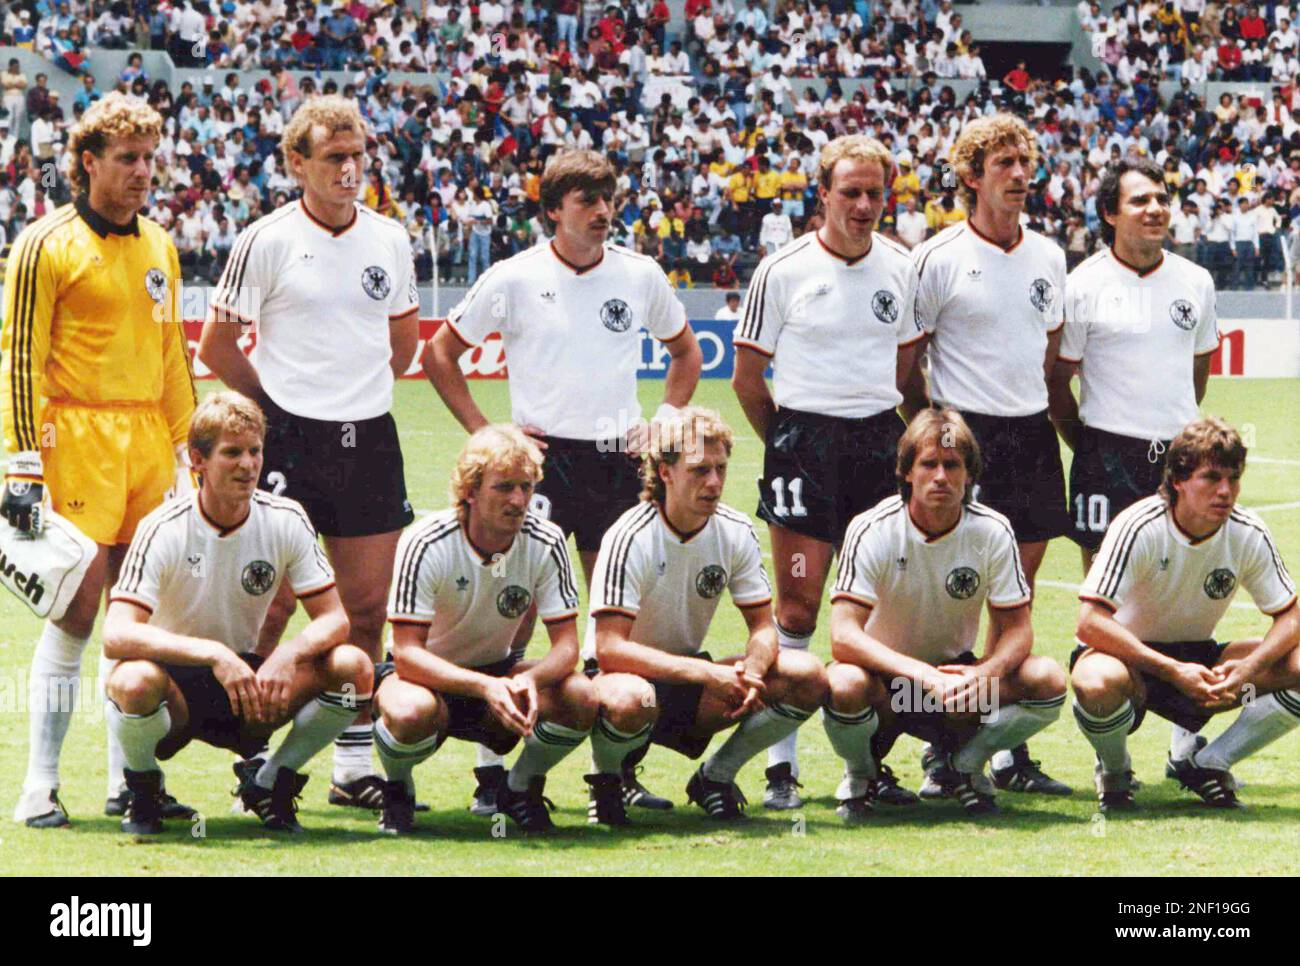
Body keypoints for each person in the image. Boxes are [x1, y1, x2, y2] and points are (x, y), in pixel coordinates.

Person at [423, 149, 701, 815]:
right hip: (538, 463)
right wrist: (491, 435)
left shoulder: (638, 274)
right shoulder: (514, 277)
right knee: (512, 616)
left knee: (617, 619)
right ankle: (497, 769)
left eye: (609, 199)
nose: (604, 212)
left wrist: (663, 419)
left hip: (615, 459)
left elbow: (685, 352)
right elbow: (439, 354)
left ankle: (618, 770)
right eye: (587, 201)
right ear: (553, 209)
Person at [199, 94, 419, 811]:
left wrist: (355, 388)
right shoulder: (266, 239)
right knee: (271, 600)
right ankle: (254, 756)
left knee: (364, 609)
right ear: (297, 163)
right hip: (291, 440)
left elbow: (404, 339)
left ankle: (352, 763)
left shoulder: (389, 237)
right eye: (333, 157)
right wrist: (278, 414)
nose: (350, 169)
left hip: (371, 439)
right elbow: (216, 346)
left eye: (357, 156)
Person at [5, 93, 197, 829]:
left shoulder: (161, 244)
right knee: (77, 611)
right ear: (88, 163)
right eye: (128, 159)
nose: (143, 172)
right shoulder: (43, 244)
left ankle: (130, 782)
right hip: (74, 440)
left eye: (150, 158)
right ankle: (39, 786)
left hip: (147, 442)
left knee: (136, 614)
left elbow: (171, 356)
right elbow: (19, 359)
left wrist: (190, 449)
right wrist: (21, 465)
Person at [732, 135, 925, 809]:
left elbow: (905, 368)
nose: (865, 205)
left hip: (880, 442)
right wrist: (788, 442)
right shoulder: (781, 270)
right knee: (798, 608)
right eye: (852, 192)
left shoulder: (902, 269)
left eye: (876, 193)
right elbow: (749, 379)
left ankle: (864, 767)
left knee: (879, 613)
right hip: (803, 443)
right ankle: (779, 768)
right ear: (823, 194)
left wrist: (871, 419)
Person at [101, 393, 369, 834]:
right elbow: (116, 634)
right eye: (232, 453)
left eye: (255, 451)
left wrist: (290, 654)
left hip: (248, 685)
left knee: (352, 667)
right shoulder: (163, 527)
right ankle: (143, 787)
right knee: (132, 680)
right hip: (173, 691)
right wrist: (211, 654)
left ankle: (271, 781)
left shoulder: (285, 518)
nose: (248, 465)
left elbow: (335, 619)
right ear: (197, 461)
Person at [908, 113, 1072, 797]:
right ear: (971, 175)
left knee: (1018, 601)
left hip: (1031, 434)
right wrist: (939, 436)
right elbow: (904, 365)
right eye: (1004, 162)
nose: (1019, 174)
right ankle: (938, 742)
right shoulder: (937, 257)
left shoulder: (1050, 255)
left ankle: (1003, 751)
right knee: (957, 601)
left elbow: (1052, 355)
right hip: (964, 439)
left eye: (1025, 162)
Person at [584, 408, 828, 821]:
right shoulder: (629, 537)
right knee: (633, 698)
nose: (714, 482)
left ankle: (716, 777)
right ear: (665, 472)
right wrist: (706, 674)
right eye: (699, 470)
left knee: (806, 675)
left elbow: (763, 628)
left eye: (720, 468)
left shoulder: (734, 531)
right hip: (619, 683)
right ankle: (608, 781)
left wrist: (752, 669)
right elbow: (609, 650)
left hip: (688, 683)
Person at [825, 409, 1066, 818]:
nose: (941, 476)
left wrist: (983, 674)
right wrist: (919, 675)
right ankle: (863, 776)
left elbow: (1018, 630)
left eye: (952, 465)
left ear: (970, 475)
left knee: (1047, 680)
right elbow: (843, 635)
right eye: (929, 464)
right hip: (887, 690)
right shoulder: (872, 529)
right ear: (906, 472)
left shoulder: (993, 531)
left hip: (957, 690)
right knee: (843, 683)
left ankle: (965, 767)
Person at [375, 425, 595, 835]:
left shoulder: (545, 541)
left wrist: (527, 679)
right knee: (409, 712)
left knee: (581, 696)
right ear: (470, 491)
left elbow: (567, 648)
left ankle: (519, 787)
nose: (518, 500)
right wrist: (483, 687)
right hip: (423, 677)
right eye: (503, 487)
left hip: (499, 673)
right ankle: (397, 787)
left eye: (526, 488)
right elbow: (405, 653)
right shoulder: (426, 541)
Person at [1071, 417, 1299, 810]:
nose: (1225, 491)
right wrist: (1171, 670)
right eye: (1211, 478)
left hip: (1201, 662)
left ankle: (1209, 764)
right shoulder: (1138, 526)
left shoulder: (1247, 530)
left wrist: (1247, 669)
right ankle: (1114, 770)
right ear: (1177, 479)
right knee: (1095, 682)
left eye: (1233, 478)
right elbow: (1090, 623)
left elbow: (1292, 616)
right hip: (1130, 662)